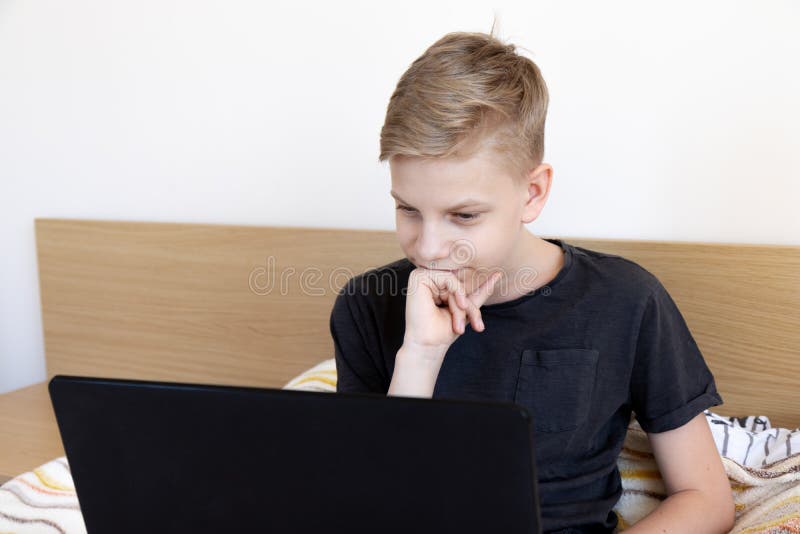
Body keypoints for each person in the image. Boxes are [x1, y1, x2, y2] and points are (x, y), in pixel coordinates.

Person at [330, 27, 735, 534]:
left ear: (533, 193)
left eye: (464, 216)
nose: (429, 248)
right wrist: (420, 357)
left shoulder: (627, 302)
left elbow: (706, 498)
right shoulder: (366, 306)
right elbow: (370, 507)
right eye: (408, 209)